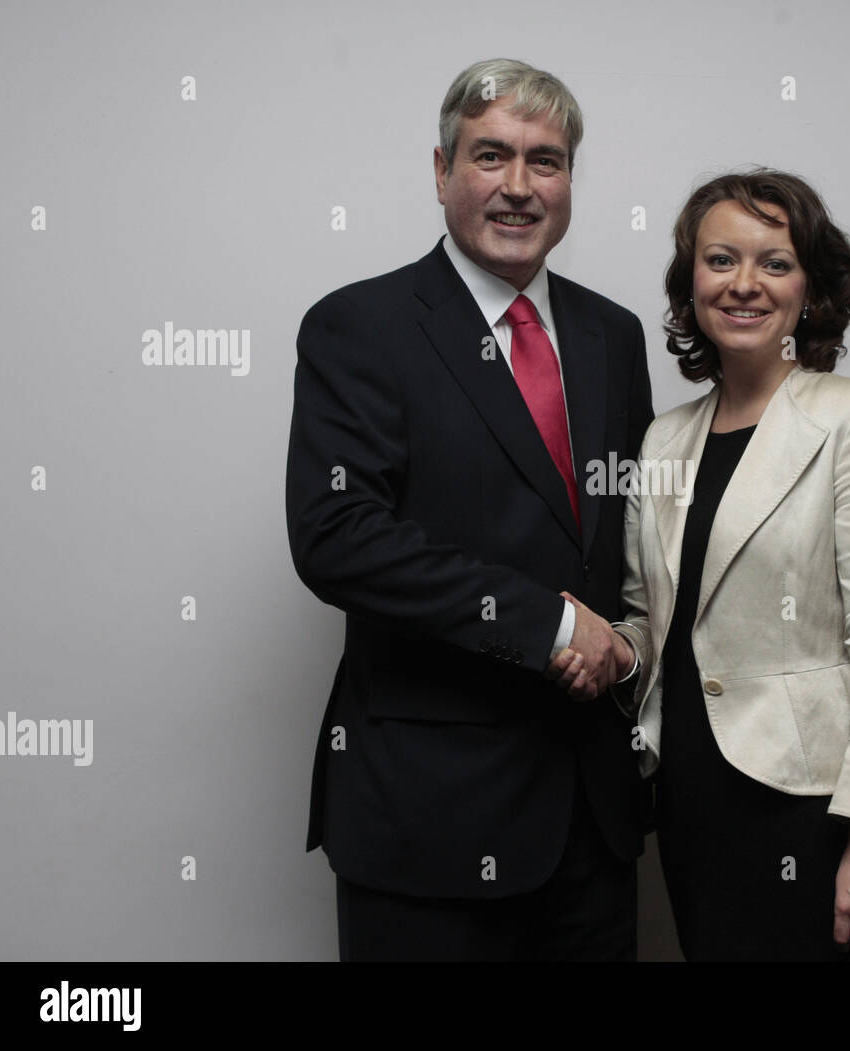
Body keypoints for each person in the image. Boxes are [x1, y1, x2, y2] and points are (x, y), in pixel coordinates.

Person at [285, 58, 653, 961]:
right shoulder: (360, 326)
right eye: (491, 156)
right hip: (429, 821)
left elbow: (633, 541)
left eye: (547, 161)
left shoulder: (615, 332)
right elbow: (339, 538)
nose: (520, 187)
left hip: (594, 823)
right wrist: (548, 627)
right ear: (441, 170)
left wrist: (632, 639)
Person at [549, 168, 850, 961]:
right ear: (691, 283)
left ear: (809, 288)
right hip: (684, 799)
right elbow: (648, 619)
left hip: (802, 808)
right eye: (721, 259)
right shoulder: (664, 439)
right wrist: (604, 645)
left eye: (775, 261)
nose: (745, 284)